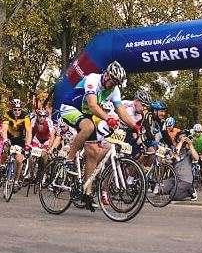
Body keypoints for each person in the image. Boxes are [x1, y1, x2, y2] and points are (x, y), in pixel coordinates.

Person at [57, 61, 140, 206]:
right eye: (113, 81)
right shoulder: (92, 79)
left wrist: (135, 126)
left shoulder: (114, 90)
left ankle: (86, 193)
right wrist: (109, 119)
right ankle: (69, 160)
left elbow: (120, 111)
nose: (113, 85)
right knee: (88, 127)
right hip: (69, 107)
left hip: (85, 115)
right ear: (107, 75)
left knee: (93, 152)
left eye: (117, 83)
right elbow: (92, 105)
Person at [2, 99, 32, 186]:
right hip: (10, 137)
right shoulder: (7, 114)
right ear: (12, 109)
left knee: (19, 160)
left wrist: (28, 144)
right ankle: (3, 166)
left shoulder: (25, 115)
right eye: (15, 109)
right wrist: (5, 139)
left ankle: (16, 180)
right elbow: (4, 129)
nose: (17, 111)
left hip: (20, 139)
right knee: (5, 149)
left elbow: (29, 131)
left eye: (19, 109)